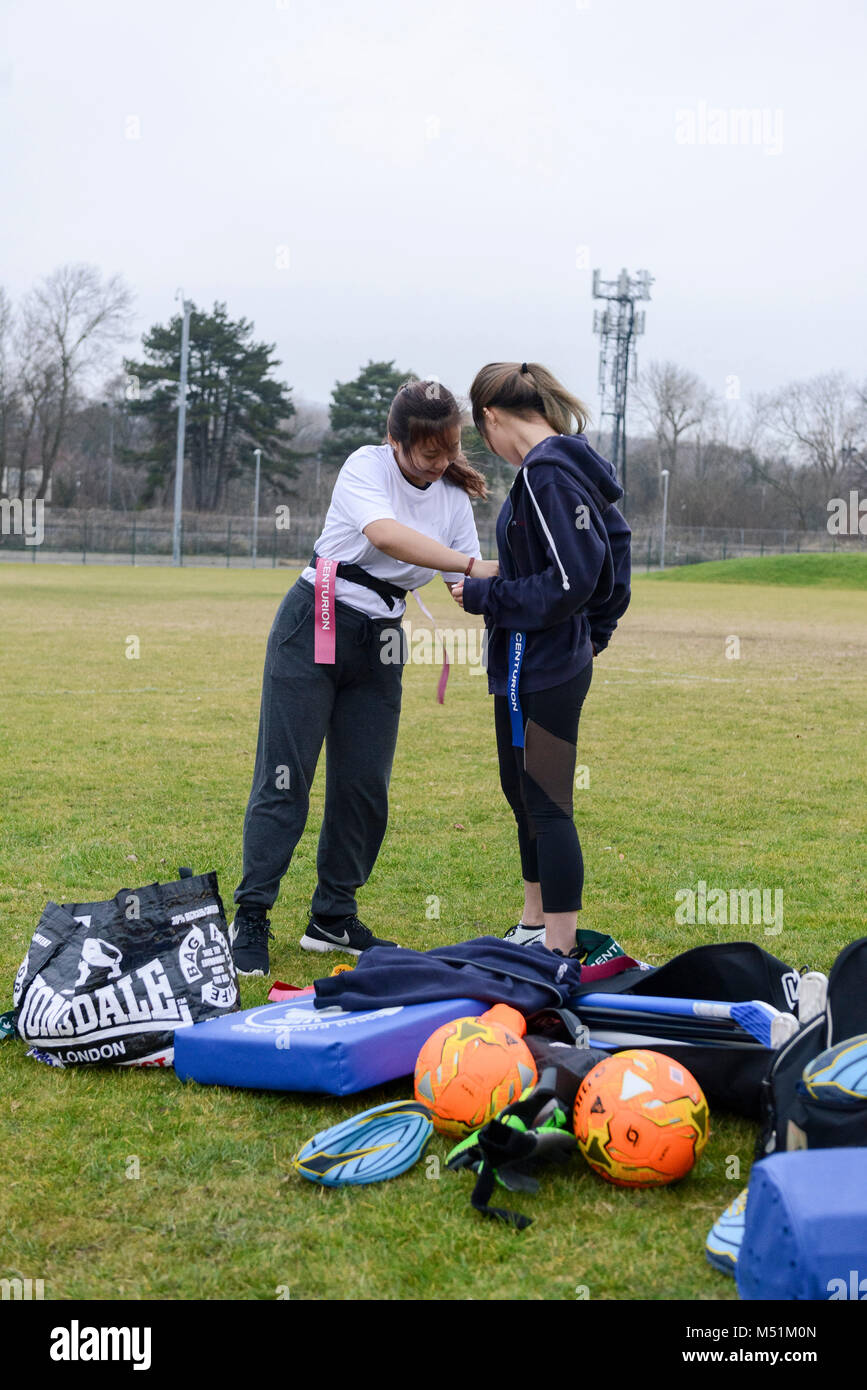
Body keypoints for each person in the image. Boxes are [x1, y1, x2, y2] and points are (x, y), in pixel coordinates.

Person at [230, 379, 497, 976]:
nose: (440, 463)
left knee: (363, 785)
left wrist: (513, 583)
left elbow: (464, 585)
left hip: (381, 641)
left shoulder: (454, 498)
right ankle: (250, 913)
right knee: (285, 777)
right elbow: (383, 535)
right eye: (429, 452)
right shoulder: (364, 466)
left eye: (449, 449)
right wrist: (472, 564)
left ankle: (332, 916)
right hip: (316, 619)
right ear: (394, 440)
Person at [452, 361, 631, 956]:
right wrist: (596, 629)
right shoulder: (565, 465)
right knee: (521, 791)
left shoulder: (545, 475)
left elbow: (568, 580)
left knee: (549, 803)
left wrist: (485, 595)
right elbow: (616, 546)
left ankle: (558, 949)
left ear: (491, 416)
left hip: (544, 665)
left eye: (484, 437)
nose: (490, 448)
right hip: (531, 660)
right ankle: (533, 926)